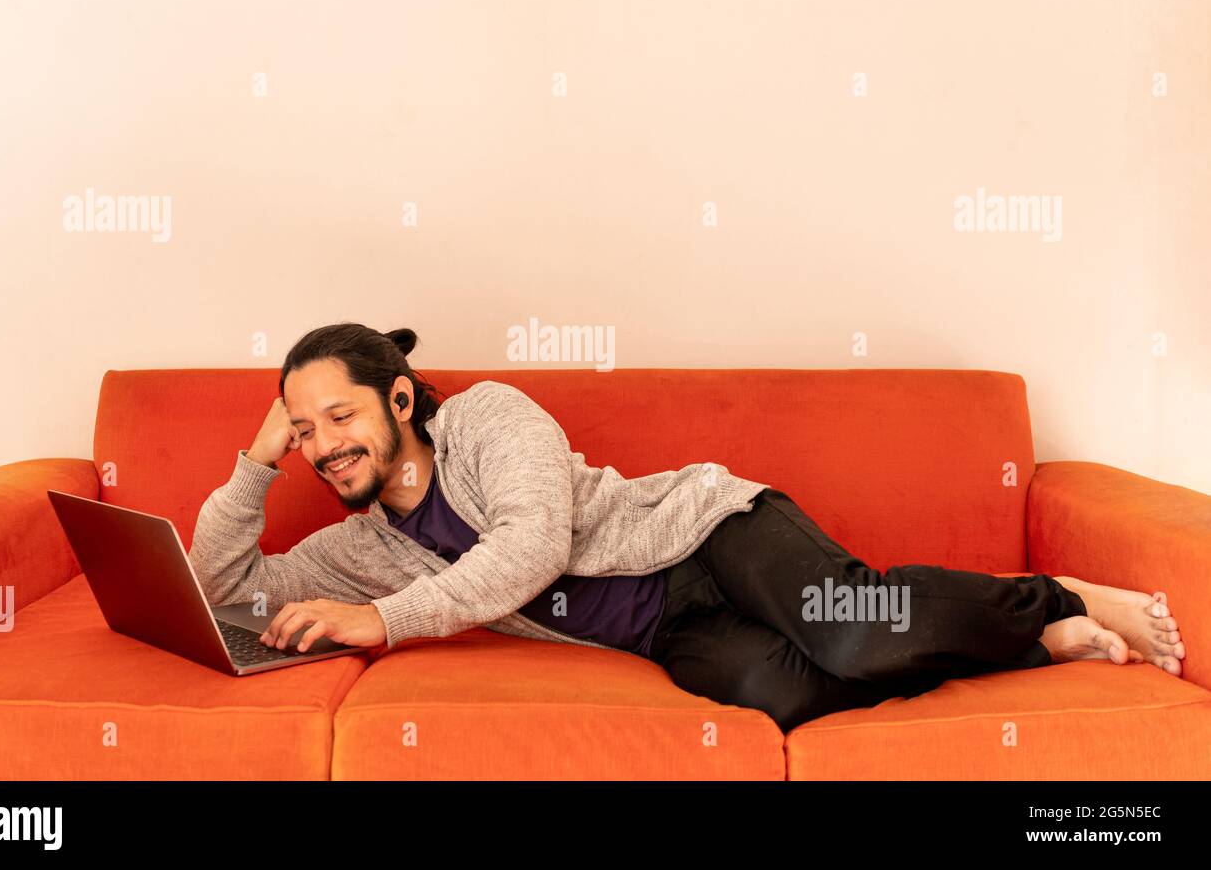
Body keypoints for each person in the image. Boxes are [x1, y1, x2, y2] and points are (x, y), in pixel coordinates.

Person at [188, 322, 1185, 732]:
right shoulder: (356, 548)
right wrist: (252, 460)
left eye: (341, 417)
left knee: (852, 630)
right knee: (783, 694)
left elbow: (530, 547)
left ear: (400, 399)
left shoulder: (489, 418)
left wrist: (388, 622)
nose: (323, 446)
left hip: (710, 535)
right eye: (305, 430)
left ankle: (1061, 600)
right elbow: (223, 589)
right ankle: (1038, 644)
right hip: (666, 628)